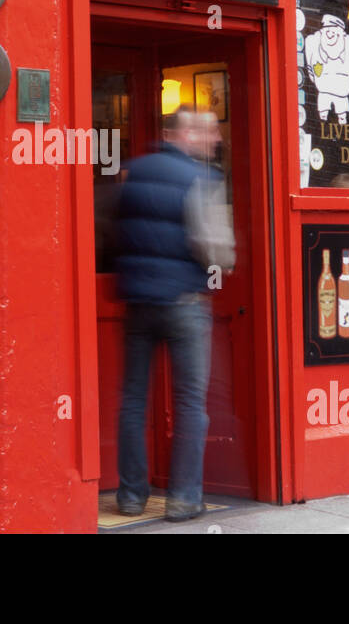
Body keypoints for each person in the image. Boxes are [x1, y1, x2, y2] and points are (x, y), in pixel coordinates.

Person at [113, 107, 235, 521]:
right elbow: (215, 247)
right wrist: (223, 262)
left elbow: (110, 229)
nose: (216, 140)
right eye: (210, 132)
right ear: (188, 134)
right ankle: (184, 498)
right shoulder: (203, 178)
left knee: (133, 399)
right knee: (189, 403)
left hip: (137, 302)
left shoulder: (132, 172)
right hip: (184, 302)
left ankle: (131, 496)